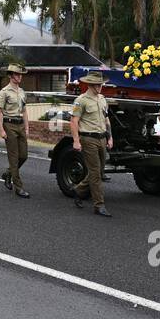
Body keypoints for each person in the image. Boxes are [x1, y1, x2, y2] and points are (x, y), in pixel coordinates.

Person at [70, 71, 113, 217]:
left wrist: (110, 137)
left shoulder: (102, 99)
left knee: (100, 172)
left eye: (101, 84)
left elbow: (107, 119)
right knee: (95, 173)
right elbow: (74, 121)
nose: (100, 86)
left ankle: (78, 190)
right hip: (88, 139)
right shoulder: (81, 100)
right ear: (89, 84)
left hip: (102, 138)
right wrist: (76, 141)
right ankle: (99, 205)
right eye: (97, 84)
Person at [0, 63, 31, 198]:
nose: (19, 77)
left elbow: (24, 110)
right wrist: (1, 130)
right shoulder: (4, 92)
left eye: (20, 74)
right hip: (9, 125)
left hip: (20, 125)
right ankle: (19, 187)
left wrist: (27, 127)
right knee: (14, 158)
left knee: (24, 156)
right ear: (10, 76)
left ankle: (8, 173)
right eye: (16, 74)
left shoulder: (22, 92)